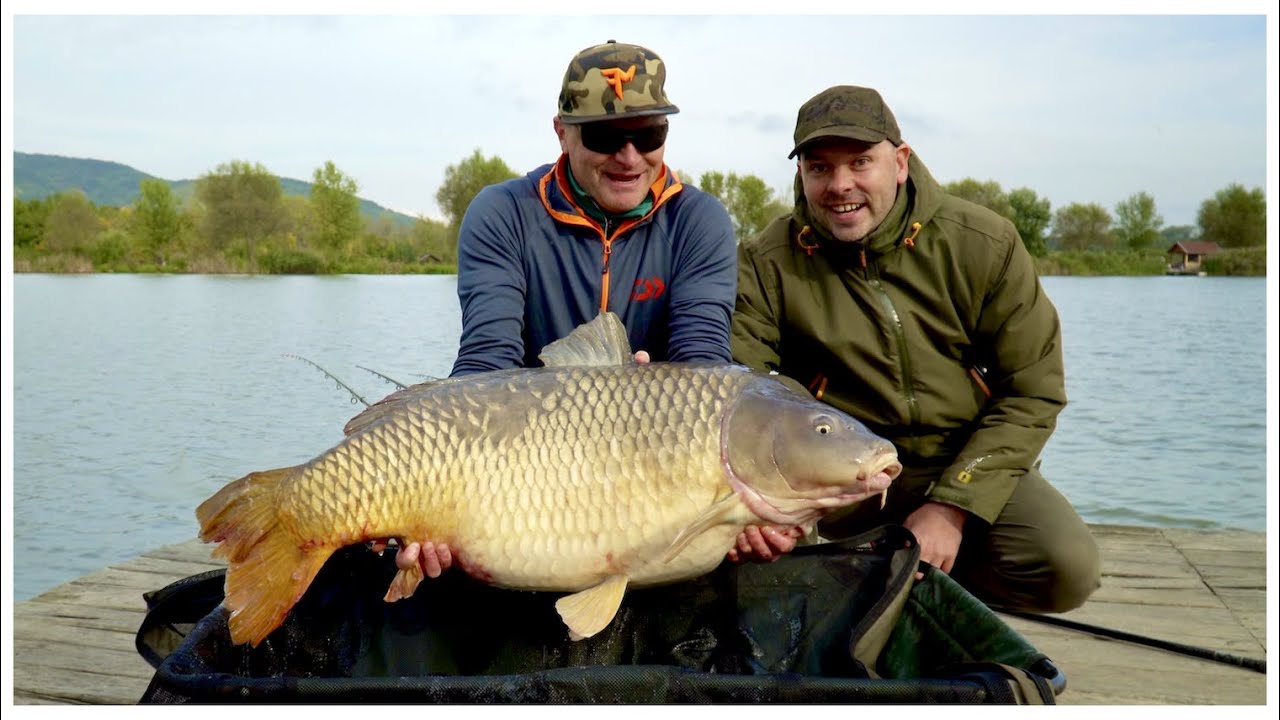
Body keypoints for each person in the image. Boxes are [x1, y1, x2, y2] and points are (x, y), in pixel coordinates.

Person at [730, 85, 1101, 613]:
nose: (840, 186)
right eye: (820, 168)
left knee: (1066, 568)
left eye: (861, 162)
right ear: (801, 175)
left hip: (962, 457)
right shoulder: (766, 260)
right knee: (758, 566)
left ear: (900, 162)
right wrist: (761, 505)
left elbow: (1033, 393)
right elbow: (741, 385)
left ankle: (920, 586)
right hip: (836, 467)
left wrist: (953, 507)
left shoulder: (984, 242)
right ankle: (875, 589)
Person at [386, 40, 743, 582]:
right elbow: (485, 364)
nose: (629, 158)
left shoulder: (699, 220)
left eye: (649, 135)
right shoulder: (504, 212)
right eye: (604, 137)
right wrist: (434, 494)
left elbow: (705, 366)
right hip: (526, 477)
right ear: (562, 131)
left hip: (657, 477)